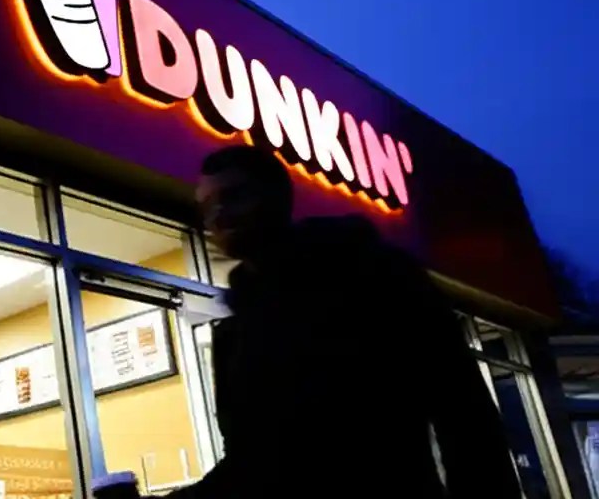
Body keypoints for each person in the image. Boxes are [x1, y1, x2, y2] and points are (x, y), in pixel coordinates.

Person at [174, 144, 521, 498]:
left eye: (233, 196)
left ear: (277, 196)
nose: (218, 214)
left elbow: (465, 416)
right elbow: (253, 464)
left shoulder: (373, 278)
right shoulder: (236, 331)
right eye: (206, 206)